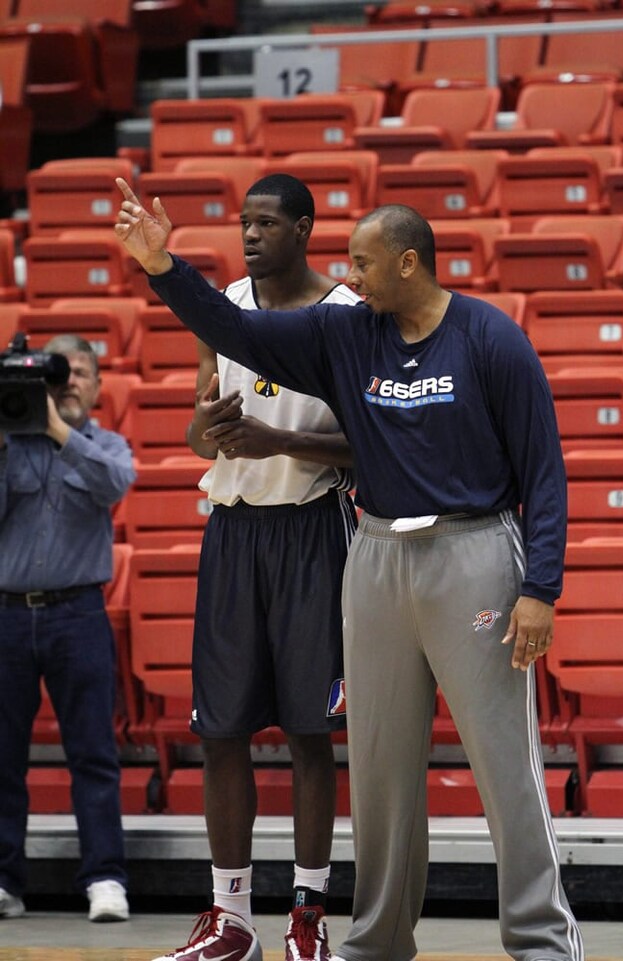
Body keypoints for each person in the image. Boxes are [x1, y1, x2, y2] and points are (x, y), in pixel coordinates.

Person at [115, 183, 585, 961]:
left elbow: (545, 471)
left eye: (364, 265)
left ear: (409, 262)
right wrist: (162, 264)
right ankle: (376, 941)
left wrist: (542, 588)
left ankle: (541, 941)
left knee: (505, 763)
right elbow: (232, 326)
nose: (351, 277)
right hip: (372, 554)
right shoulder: (345, 335)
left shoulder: (490, 338)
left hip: (473, 553)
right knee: (378, 771)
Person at [147, 174, 359, 961]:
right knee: (222, 730)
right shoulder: (223, 304)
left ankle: (308, 916)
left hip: (314, 532)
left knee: (312, 730)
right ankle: (230, 918)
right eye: (245, 222)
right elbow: (201, 439)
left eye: (267, 221)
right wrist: (209, 428)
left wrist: (283, 442)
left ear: (304, 228)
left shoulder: (345, 317)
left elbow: (367, 447)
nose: (251, 235)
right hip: (234, 534)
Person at [0, 334, 135, 923]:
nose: (70, 380)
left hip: (78, 615)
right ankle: (4, 881)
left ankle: (105, 877)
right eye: (59, 372)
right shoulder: (9, 442)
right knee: (2, 757)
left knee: (93, 754)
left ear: (99, 385)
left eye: (81, 371)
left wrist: (57, 430)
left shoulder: (106, 445)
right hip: (6, 617)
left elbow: (114, 484)